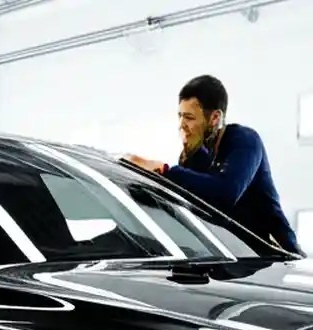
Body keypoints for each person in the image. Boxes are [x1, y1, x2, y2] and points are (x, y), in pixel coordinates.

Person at [125, 75, 303, 255]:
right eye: (180, 116)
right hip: (226, 255)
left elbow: (225, 193)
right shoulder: (195, 158)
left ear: (215, 118)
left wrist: (163, 170)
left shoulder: (244, 140)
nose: (181, 125)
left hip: (272, 254)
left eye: (189, 118)